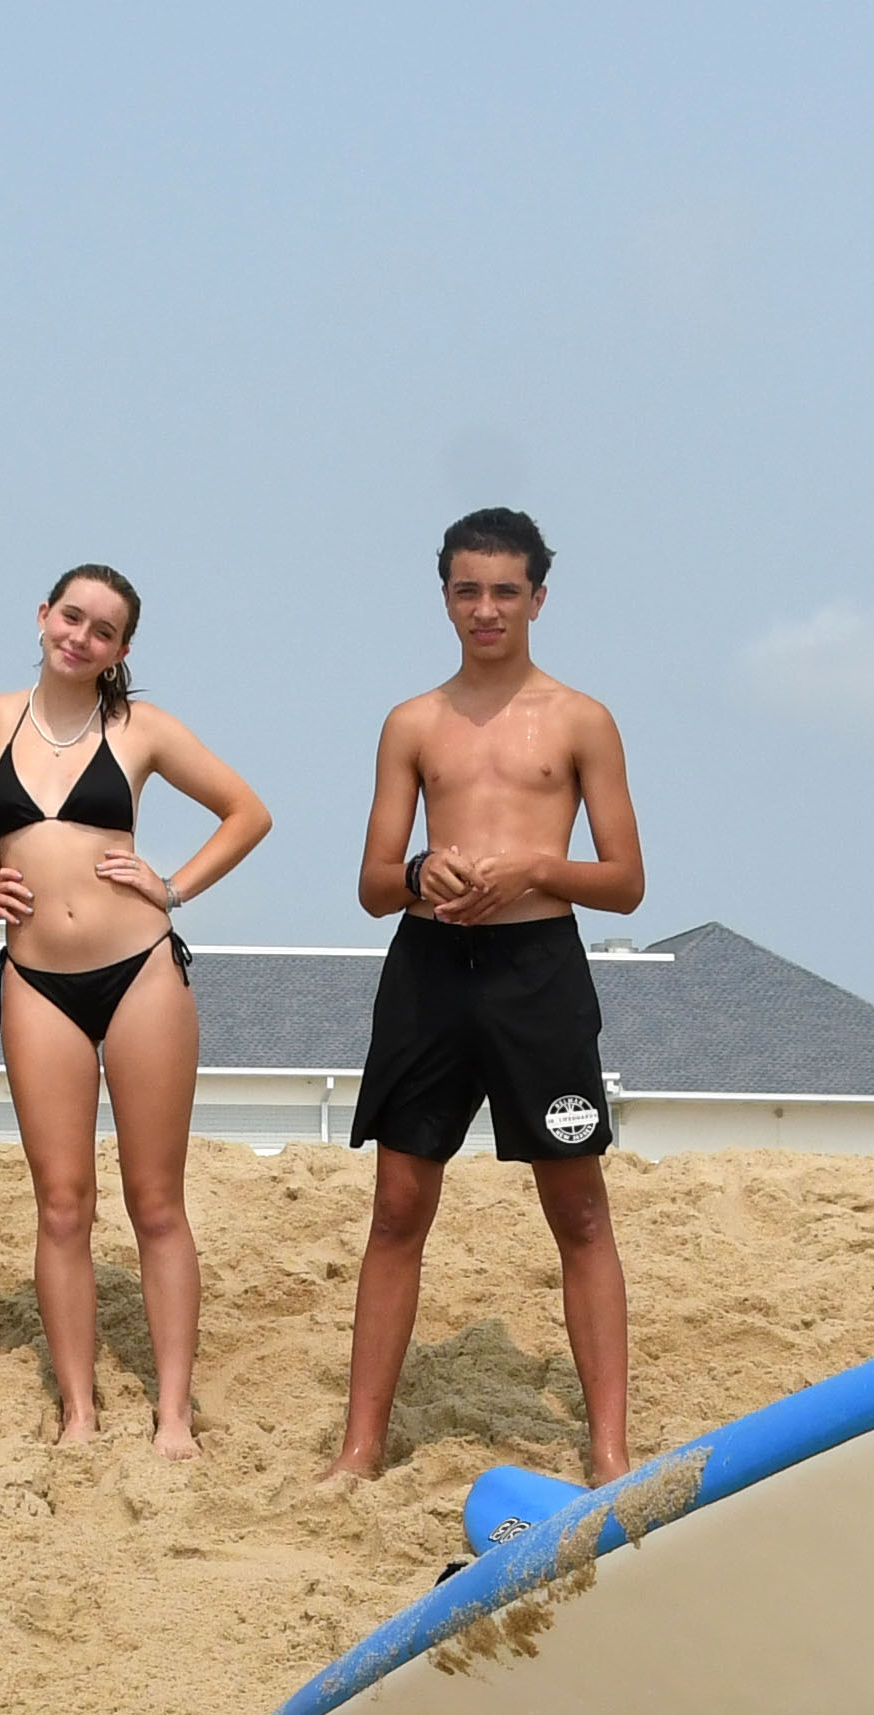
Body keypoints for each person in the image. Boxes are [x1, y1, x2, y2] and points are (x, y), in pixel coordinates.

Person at [336, 510, 647, 1485]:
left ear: (537, 598)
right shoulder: (413, 722)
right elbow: (373, 880)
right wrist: (424, 871)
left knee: (579, 1208)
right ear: (444, 596)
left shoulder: (580, 718)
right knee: (396, 1205)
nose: (485, 609)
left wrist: (534, 869)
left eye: (504, 591)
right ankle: (359, 1449)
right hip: (430, 972)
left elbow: (627, 880)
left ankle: (605, 1450)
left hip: (537, 972)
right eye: (467, 590)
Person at [0, 564, 272, 1455]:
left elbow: (248, 813)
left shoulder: (141, 728)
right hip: (34, 979)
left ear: (121, 650)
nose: (80, 637)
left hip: (140, 970)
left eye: (103, 630)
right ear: (43, 614)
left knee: (156, 1202)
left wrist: (172, 886)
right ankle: (79, 1411)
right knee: (61, 1206)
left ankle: (172, 1413)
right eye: (71, 616)